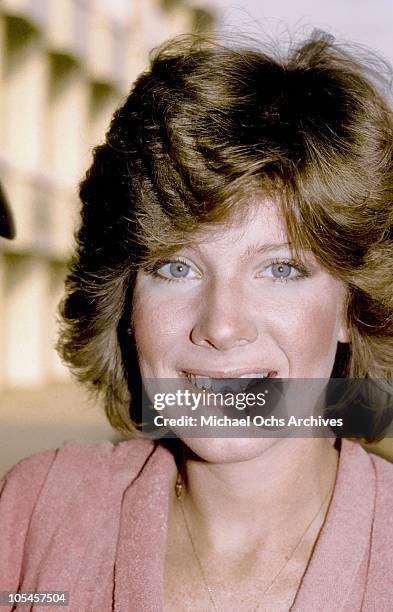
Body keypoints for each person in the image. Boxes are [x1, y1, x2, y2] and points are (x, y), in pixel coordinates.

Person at [0, 31, 393, 611]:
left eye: (281, 269)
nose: (221, 326)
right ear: (128, 305)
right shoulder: (36, 511)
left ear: (349, 305)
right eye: (176, 267)